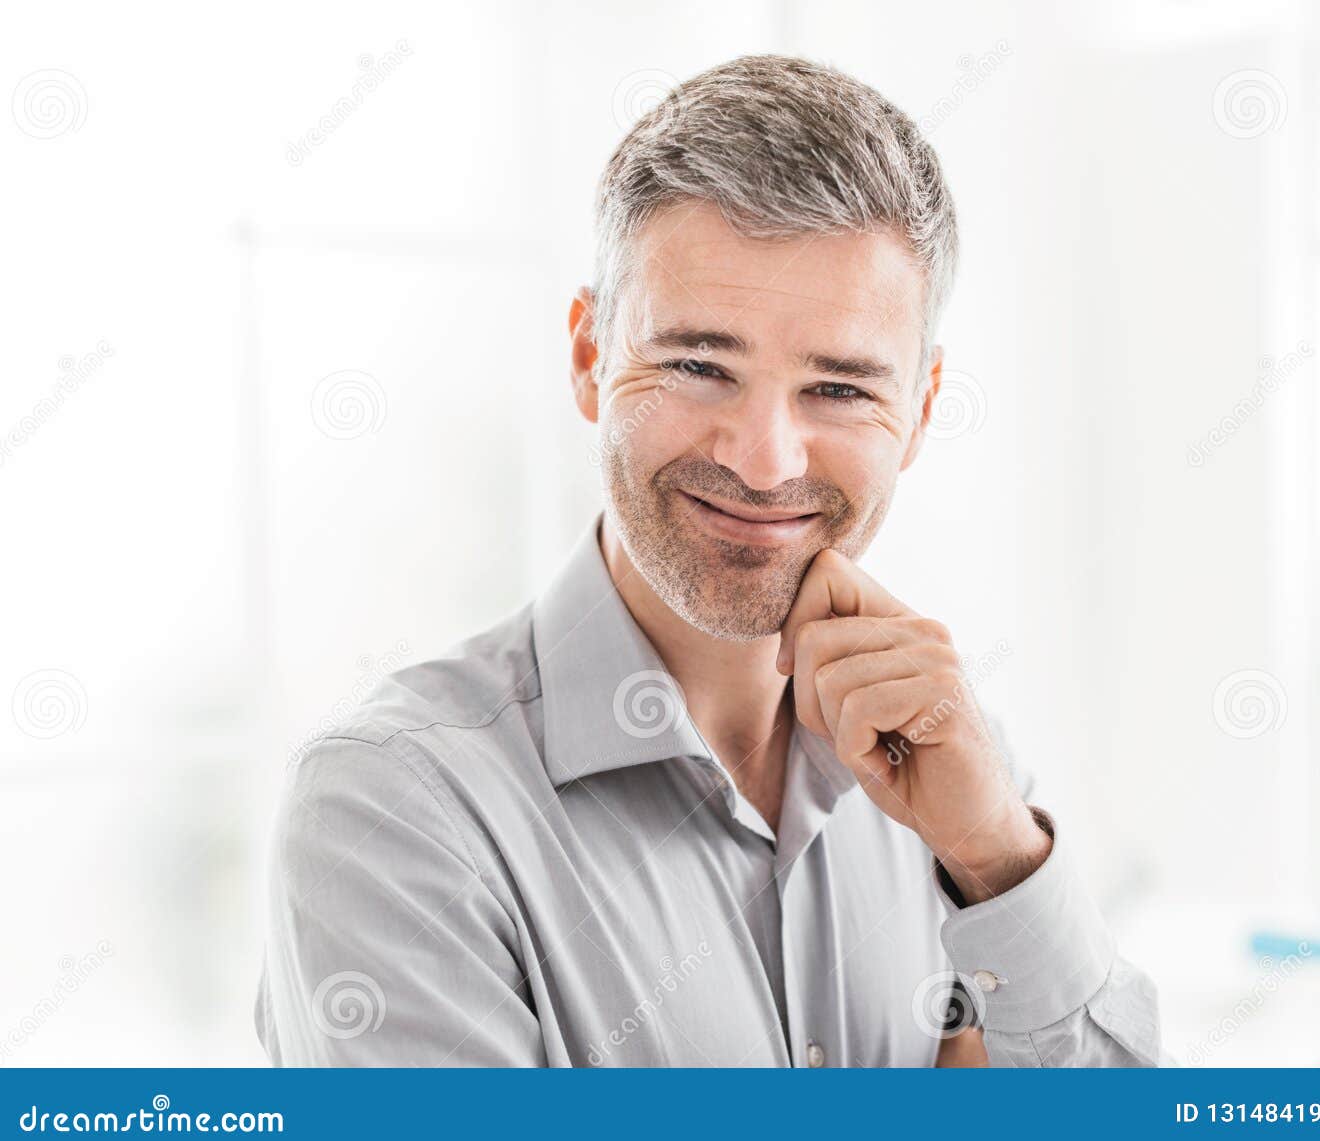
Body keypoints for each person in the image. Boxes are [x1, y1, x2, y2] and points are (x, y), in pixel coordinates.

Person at [256, 53, 1160, 1067]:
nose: (762, 458)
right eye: (697, 365)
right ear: (590, 357)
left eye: (840, 388)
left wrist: (999, 859)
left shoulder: (957, 772)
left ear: (920, 412)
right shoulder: (398, 807)